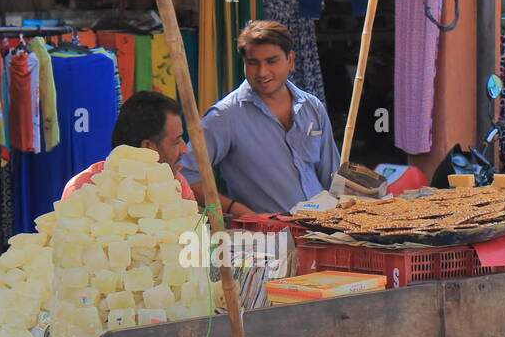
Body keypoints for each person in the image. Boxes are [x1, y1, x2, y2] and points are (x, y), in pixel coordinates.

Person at [178, 20, 339, 216]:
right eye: (253, 63)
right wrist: (238, 211)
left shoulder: (312, 106)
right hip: (265, 237)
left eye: (271, 61)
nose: (262, 73)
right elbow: (184, 175)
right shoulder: (225, 116)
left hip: (321, 232)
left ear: (290, 60)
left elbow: (332, 176)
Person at [62, 90, 196, 200]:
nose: (184, 149)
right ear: (147, 147)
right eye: (177, 141)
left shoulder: (178, 186)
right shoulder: (83, 190)